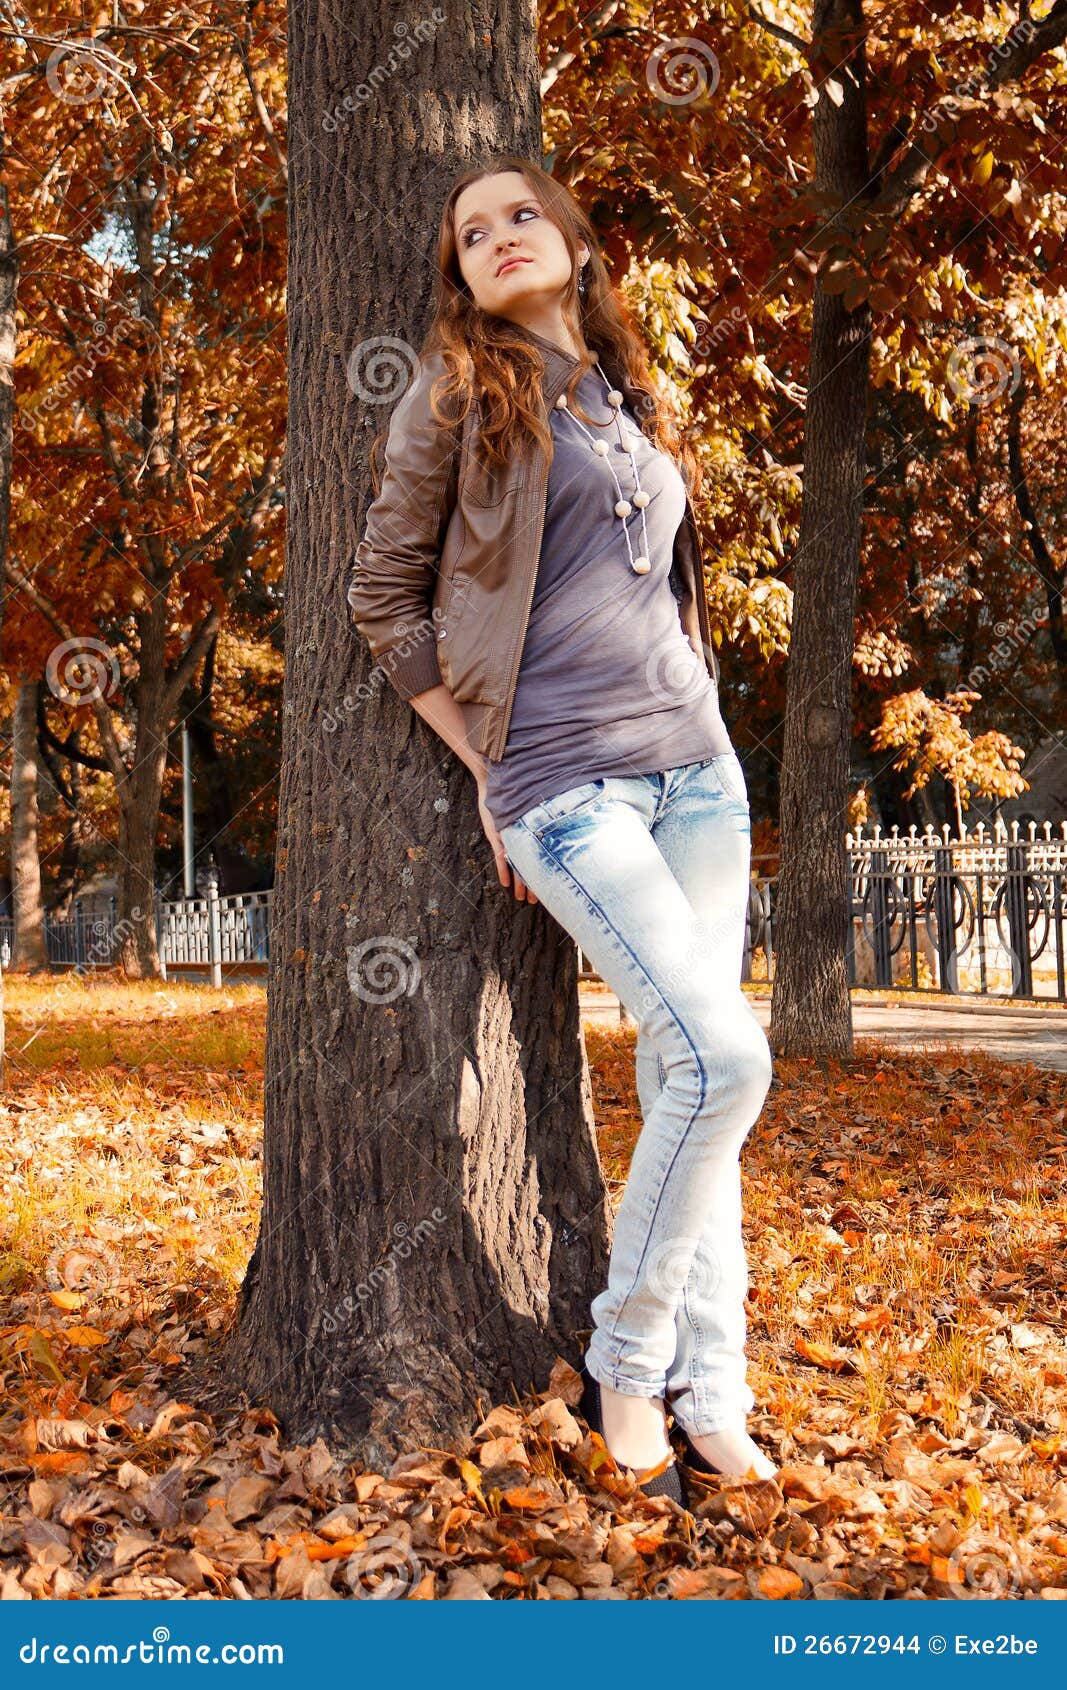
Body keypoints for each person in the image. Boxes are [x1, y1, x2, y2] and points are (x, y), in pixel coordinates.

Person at [348, 152, 776, 1502]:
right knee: (726, 1058)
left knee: (689, 1081)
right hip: (562, 783)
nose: (498, 236)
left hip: (699, 770)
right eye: (471, 233)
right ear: (462, 280)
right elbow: (382, 594)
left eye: (521, 212)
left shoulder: (632, 391)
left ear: (578, 245)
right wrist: (484, 760)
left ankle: (719, 1384)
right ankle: (630, 1360)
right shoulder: (455, 397)